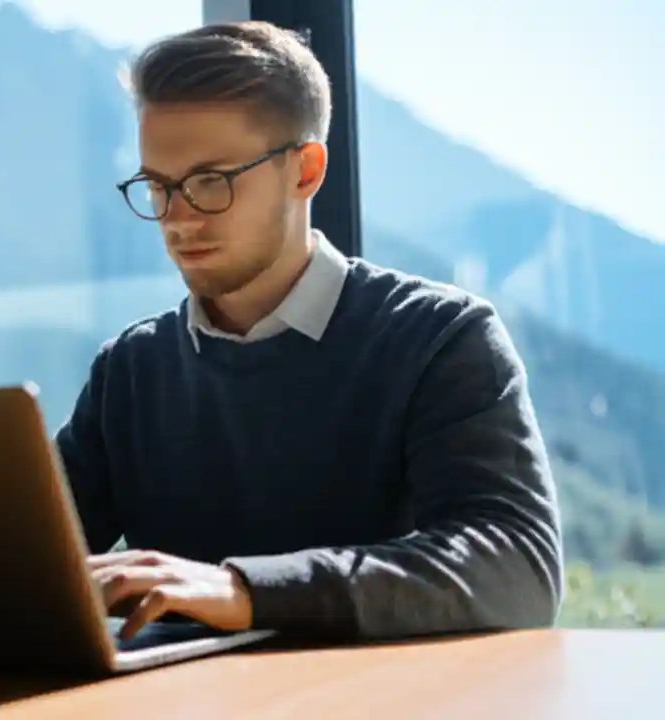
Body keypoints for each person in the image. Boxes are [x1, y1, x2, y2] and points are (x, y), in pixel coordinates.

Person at [56, 21, 563, 642]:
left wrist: (245, 591)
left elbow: (517, 567)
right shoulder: (130, 371)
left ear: (305, 171)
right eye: (158, 187)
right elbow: (23, 559)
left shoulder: (440, 338)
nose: (178, 218)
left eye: (211, 182)